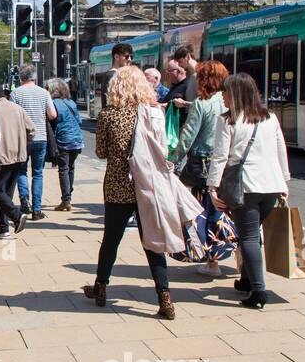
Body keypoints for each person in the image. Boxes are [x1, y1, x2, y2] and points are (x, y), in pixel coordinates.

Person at [82, 66, 178, 319]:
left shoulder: (108, 115)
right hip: (146, 183)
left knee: (111, 239)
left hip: (118, 184)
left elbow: (100, 152)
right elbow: (163, 148)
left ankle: (101, 287)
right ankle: (164, 297)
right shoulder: (153, 113)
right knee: (152, 242)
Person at [208, 72, 291, 310]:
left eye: (225, 92)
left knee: (249, 237)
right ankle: (246, 280)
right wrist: (284, 181)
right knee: (252, 234)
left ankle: (258, 291)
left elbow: (220, 156)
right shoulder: (270, 117)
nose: (222, 96)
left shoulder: (228, 120)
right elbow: (280, 149)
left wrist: (212, 186)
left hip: (245, 186)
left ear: (235, 94)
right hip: (271, 186)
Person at [172, 59, 231, 277]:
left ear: (205, 79)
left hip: (203, 167)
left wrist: (174, 162)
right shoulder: (229, 102)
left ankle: (212, 262)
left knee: (205, 213)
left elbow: (188, 137)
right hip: (227, 165)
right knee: (226, 212)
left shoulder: (201, 103)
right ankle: (240, 259)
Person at [0, 82, 32, 238]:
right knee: (7, 193)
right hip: (19, 156)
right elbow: (32, 130)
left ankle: (17, 216)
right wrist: (22, 143)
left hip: (0, 157)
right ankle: (3, 227)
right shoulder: (18, 109)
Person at [10, 64, 56, 219]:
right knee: (38, 173)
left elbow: (13, 116)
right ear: (35, 77)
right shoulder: (44, 93)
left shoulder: (16, 93)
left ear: (21, 77)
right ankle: (37, 209)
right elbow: (52, 115)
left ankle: (24, 202)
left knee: (21, 170)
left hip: (22, 138)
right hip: (40, 137)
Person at [47, 79, 83, 211]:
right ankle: (68, 197)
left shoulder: (53, 104)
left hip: (63, 139)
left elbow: (51, 119)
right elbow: (79, 121)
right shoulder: (71, 102)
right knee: (71, 167)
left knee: (63, 169)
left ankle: (66, 200)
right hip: (77, 139)